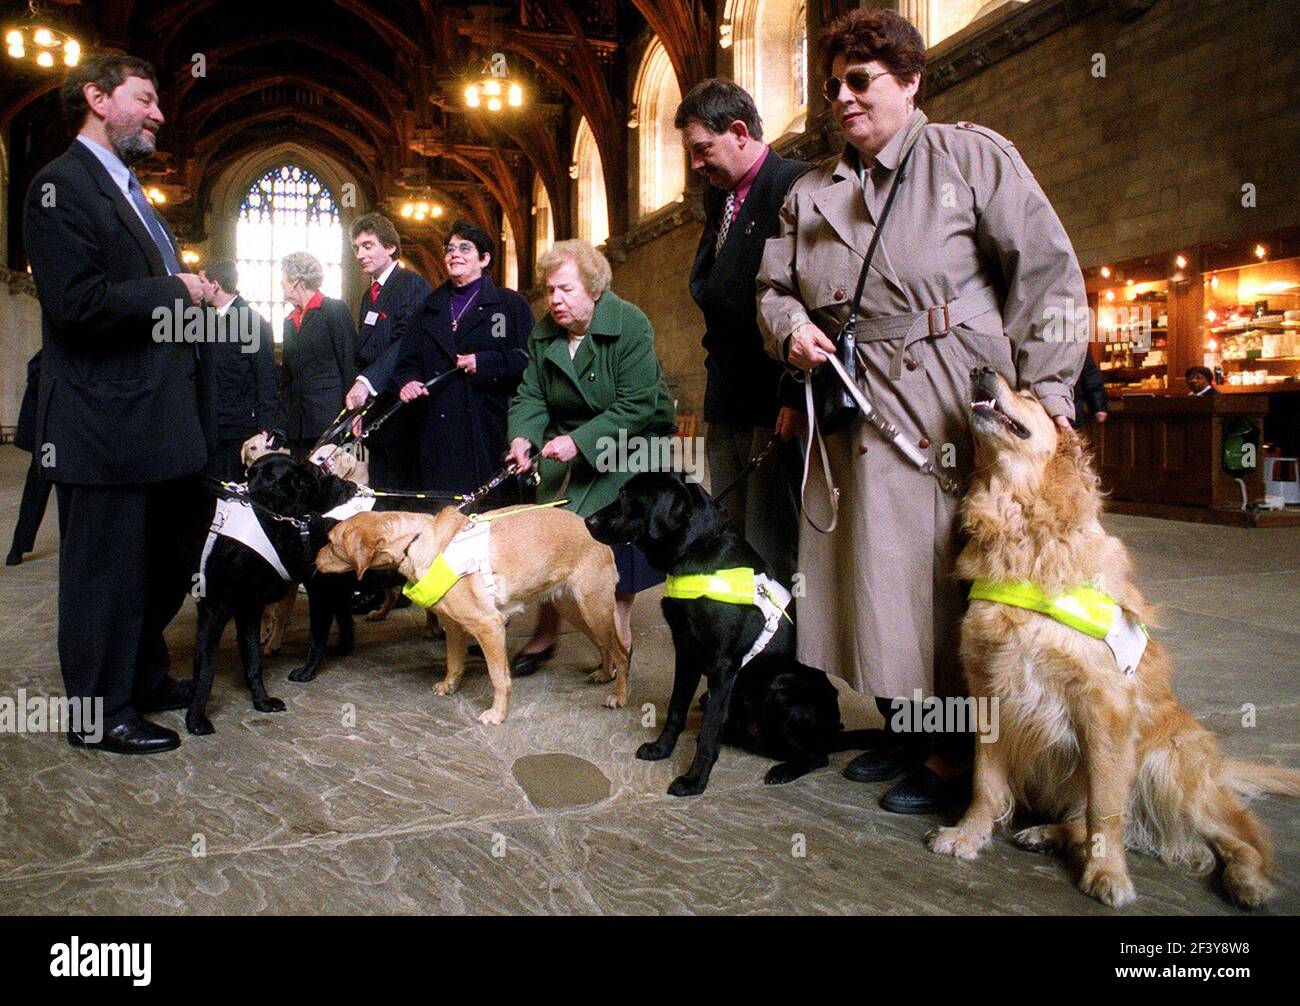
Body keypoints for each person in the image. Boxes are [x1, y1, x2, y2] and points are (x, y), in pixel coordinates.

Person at [756, 8, 1087, 814]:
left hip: (955, 396)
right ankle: (911, 729)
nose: (844, 96)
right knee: (876, 578)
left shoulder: (968, 156)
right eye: (834, 84)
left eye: (861, 80)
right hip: (858, 400)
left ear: (910, 81)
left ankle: (968, 755)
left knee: (952, 576)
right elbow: (771, 288)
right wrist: (792, 327)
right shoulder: (811, 191)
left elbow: (1047, 274)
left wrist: (1046, 396)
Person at [23, 54, 215, 754]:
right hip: (104, 420)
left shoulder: (132, 190)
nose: (160, 113)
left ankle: (141, 673)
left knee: (165, 551)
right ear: (98, 99)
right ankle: (99, 714)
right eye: (146, 98)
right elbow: (75, 306)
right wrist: (178, 290)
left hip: (159, 416)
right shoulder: (59, 186)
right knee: (103, 573)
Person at [505, 241, 677, 675]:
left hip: (632, 443)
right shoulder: (545, 332)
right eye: (549, 291)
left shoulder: (630, 324)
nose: (555, 300)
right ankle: (546, 633)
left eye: (565, 289)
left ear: (595, 289)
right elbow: (531, 395)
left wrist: (578, 441)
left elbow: (638, 406)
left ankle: (618, 636)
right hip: (571, 444)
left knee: (607, 534)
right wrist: (523, 437)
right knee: (550, 533)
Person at [676, 79, 810, 586]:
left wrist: (796, 394)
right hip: (728, 398)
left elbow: (814, 303)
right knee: (732, 535)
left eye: (702, 149)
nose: (696, 165)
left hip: (776, 403)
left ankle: (786, 656)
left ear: (737, 132)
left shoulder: (795, 186)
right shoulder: (719, 202)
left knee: (775, 546)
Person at [392, 219, 532, 497]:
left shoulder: (504, 307)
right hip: (436, 431)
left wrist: (483, 363)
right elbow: (407, 364)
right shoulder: (427, 309)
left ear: (484, 258)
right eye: (450, 249)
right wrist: (408, 382)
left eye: (464, 248)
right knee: (442, 514)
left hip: (487, 429)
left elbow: (524, 361)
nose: (454, 254)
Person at [343, 213, 432, 488]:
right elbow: (368, 352)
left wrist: (366, 383)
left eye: (368, 246)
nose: (360, 254)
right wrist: (362, 410)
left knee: (397, 491)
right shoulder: (368, 294)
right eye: (356, 248)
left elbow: (406, 341)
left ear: (390, 247)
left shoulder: (411, 284)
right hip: (377, 410)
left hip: (401, 410)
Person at [199, 260, 278, 481]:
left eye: (203, 281)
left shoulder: (252, 321)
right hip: (211, 425)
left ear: (215, 285)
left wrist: (265, 427)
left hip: (240, 426)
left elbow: (266, 377)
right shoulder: (205, 319)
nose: (199, 286)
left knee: (237, 491)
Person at [277, 251, 356, 456]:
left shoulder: (333, 309)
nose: (281, 284)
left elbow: (348, 362)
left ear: (296, 281)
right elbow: (287, 377)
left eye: (283, 279)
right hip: (297, 423)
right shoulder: (289, 320)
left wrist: (352, 415)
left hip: (328, 419)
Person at [6, 351, 55, 566]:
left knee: (39, 488)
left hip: (64, 433)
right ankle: (19, 544)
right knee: (37, 487)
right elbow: (35, 373)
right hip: (52, 433)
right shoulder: (51, 355)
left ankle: (19, 545)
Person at [1072, 351, 1109, 429]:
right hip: (1071, 406)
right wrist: (1099, 406)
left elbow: (1090, 375)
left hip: (1071, 407)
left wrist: (1098, 406)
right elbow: (1091, 376)